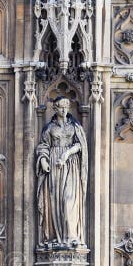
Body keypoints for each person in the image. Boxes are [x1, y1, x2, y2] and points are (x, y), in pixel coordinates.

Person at [35, 97, 88, 249]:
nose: (64, 109)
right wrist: (43, 161)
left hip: (71, 166)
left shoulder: (74, 127)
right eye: (61, 107)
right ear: (55, 109)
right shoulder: (49, 128)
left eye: (67, 106)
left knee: (69, 200)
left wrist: (67, 154)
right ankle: (55, 237)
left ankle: (71, 237)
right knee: (55, 203)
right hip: (54, 167)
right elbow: (43, 146)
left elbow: (80, 145)